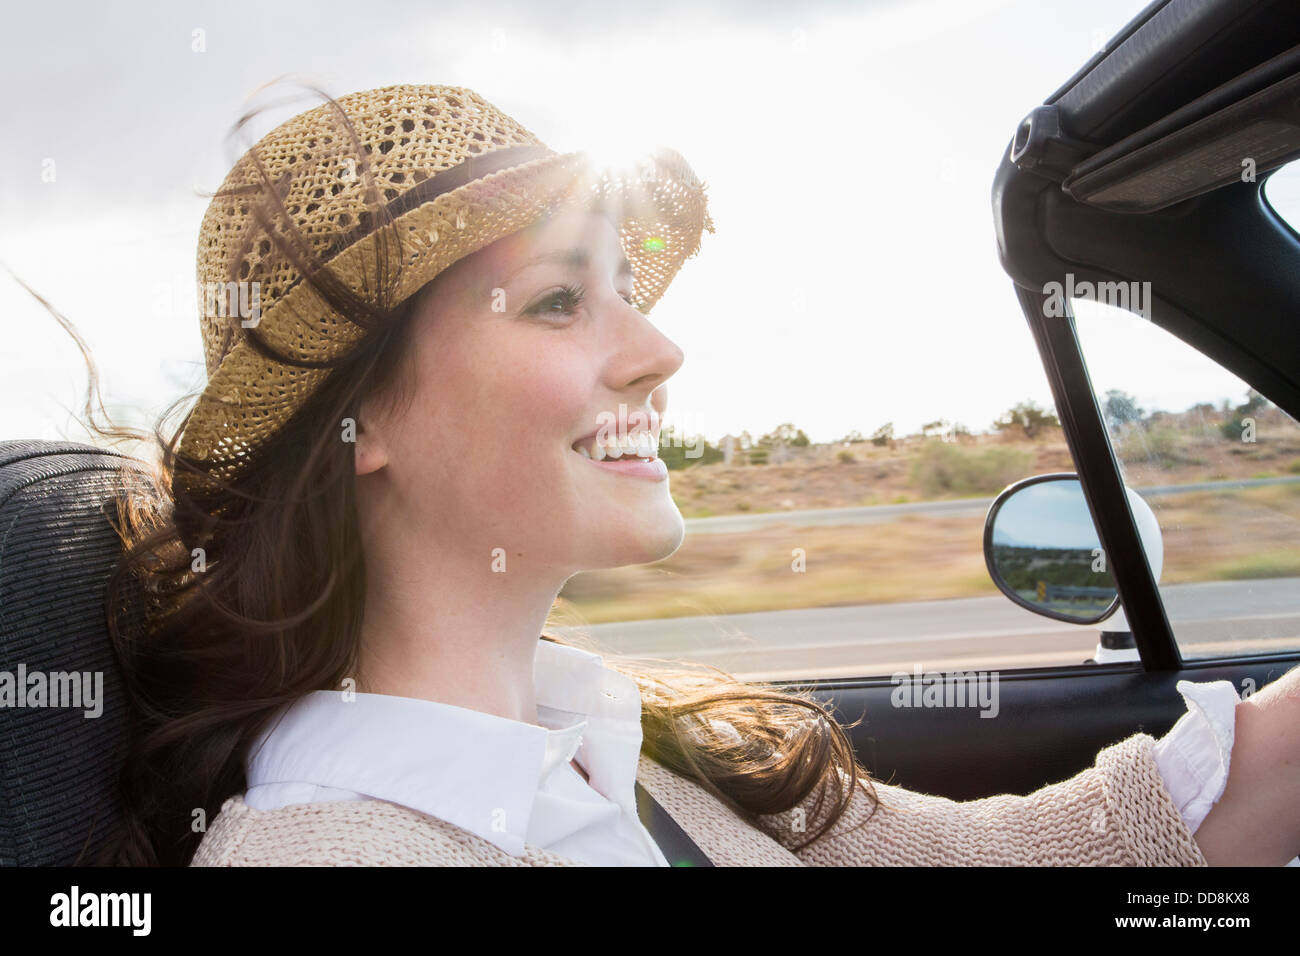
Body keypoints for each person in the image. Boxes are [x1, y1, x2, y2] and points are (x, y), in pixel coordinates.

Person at [90, 83, 1300, 867]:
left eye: (627, 288)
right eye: (561, 299)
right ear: (359, 417)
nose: (659, 351)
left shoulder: (633, 744)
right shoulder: (327, 856)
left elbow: (1032, 856)